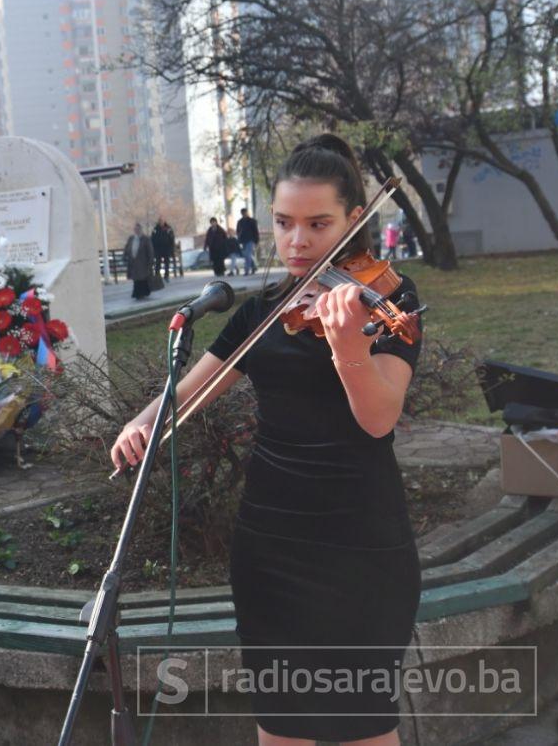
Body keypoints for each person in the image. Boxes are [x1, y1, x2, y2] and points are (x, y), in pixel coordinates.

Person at [111, 134, 422, 745]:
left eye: (318, 223)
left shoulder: (388, 299)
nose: (297, 241)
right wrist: (143, 422)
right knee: (280, 726)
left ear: (354, 220)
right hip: (271, 547)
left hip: (360, 546)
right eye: (283, 223)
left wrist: (349, 349)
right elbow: (189, 391)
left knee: (363, 727)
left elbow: (378, 419)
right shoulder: (263, 313)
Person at [123, 222, 156, 300]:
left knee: (142, 279)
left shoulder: (146, 239)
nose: (136, 230)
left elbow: (150, 251)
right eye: (135, 229)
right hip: (133, 262)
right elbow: (127, 248)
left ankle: (142, 293)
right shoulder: (131, 238)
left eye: (138, 229)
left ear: (141, 230)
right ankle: (137, 294)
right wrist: (125, 256)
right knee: (136, 279)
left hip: (143, 262)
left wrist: (150, 262)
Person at [237, 207, 260, 275]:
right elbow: (238, 231)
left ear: (247, 213)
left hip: (251, 240)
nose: (244, 214)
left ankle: (246, 270)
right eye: (242, 213)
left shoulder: (252, 221)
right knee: (248, 255)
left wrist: (256, 240)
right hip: (243, 240)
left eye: (245, 213)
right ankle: (254, 267)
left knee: (248, 255)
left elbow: (256, 231)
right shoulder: (240, 222)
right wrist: (239, 240)